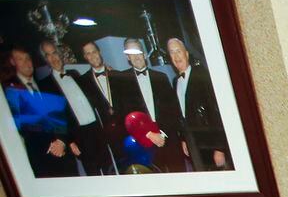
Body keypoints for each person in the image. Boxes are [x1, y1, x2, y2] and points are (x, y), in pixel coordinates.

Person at [4, 46, 76, 177]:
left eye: (28, 58)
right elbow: (20, 125)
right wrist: (51, 146)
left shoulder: (46, 85)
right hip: (43, 158)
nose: (26, 63)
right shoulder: (9, 91)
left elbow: (62, 116)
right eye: (20, 59)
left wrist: (61, 141)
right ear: (13, 62)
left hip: (65, 155)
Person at [111, 38, 182, 172]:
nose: (136, 56)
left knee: (179, 174)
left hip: (167, 138)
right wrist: (148, 134)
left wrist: (162, 134)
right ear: (127, 57)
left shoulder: (161, 77)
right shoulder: (121, 81)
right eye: (131, 53)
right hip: (142, 143)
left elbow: (173, 110)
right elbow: (123, 115)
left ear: (144, 53)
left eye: (138, 51)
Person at [38, 40, 106, 176]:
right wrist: (69, 141)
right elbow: (53, 118)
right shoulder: (45, 85)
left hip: (96, 128)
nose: (54, 57)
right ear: (45, 59)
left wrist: (105, 69)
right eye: (48, 55)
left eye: (55, 53)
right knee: (94, 174)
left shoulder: (75, 74)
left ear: (60, 53)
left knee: (107, 166)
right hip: (79, 136)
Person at [167, 37, 228, 171]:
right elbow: (182, 113)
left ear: (187, 54)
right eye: (172, 52)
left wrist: (219, 148)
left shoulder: (202, 74)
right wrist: (184, 139)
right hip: (192, 142)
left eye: (179, 51)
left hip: (209, 141)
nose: (176, 56)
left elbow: (216, 110)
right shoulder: (175, 81)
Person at [75, 40, 125, 172]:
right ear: (85, 57)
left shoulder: (118, 75)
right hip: (103, 137)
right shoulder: (82, 82)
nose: (92, 56)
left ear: (99, 52)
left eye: (94, 52)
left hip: (125, 131)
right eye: (88, 54)